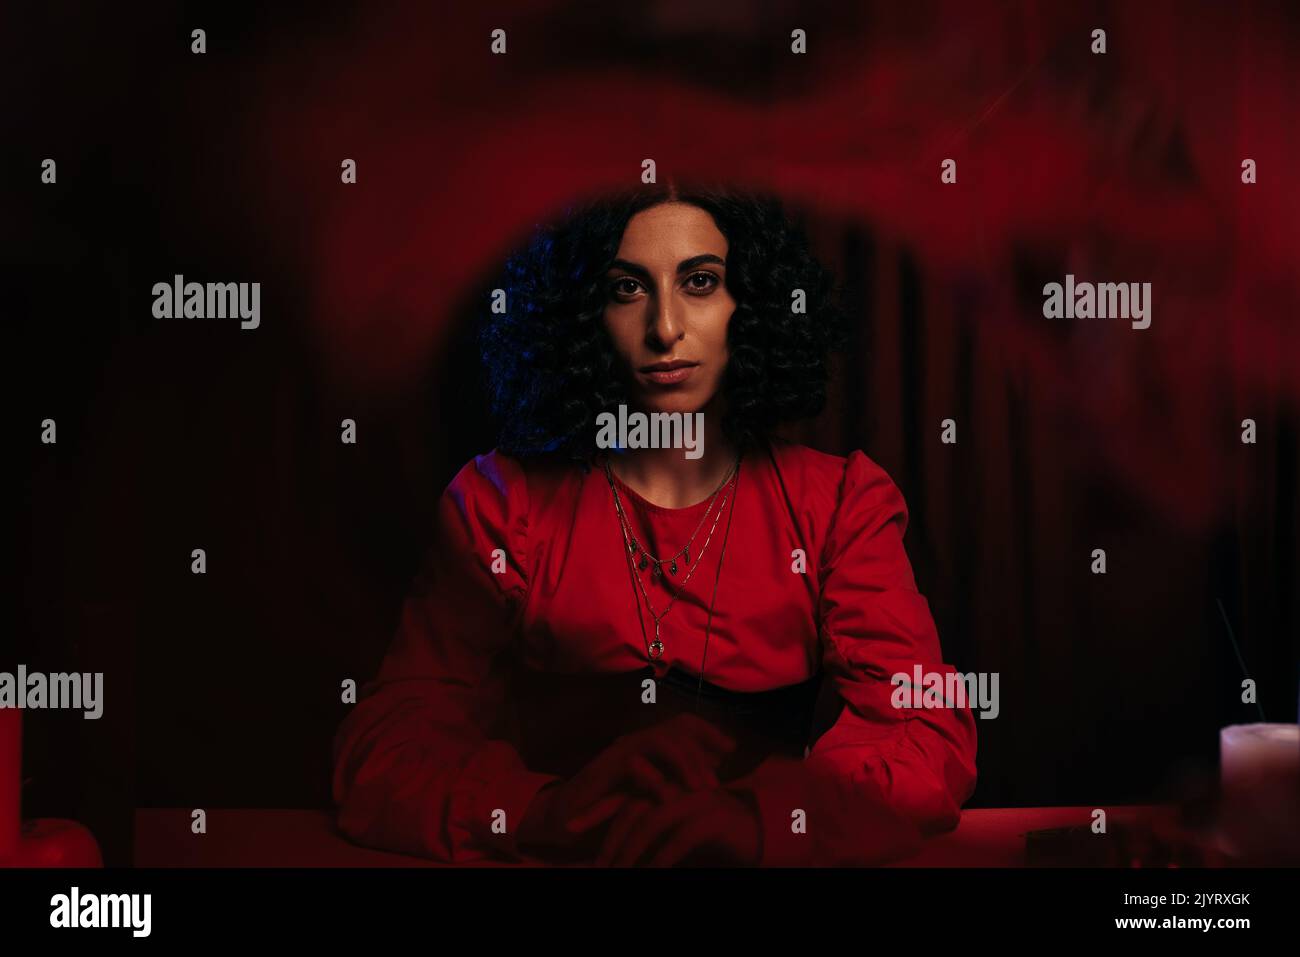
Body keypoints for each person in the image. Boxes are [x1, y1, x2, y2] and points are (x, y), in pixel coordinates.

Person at [331, 180, 978, 866]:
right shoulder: (500, 503)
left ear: (751, 304)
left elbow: (926, 725)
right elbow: (385, 748)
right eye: (627, 288)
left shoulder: (838, 503)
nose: (665, 328)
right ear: (582, 313)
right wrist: (543, 808)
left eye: (701, 282)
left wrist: (769, 817)